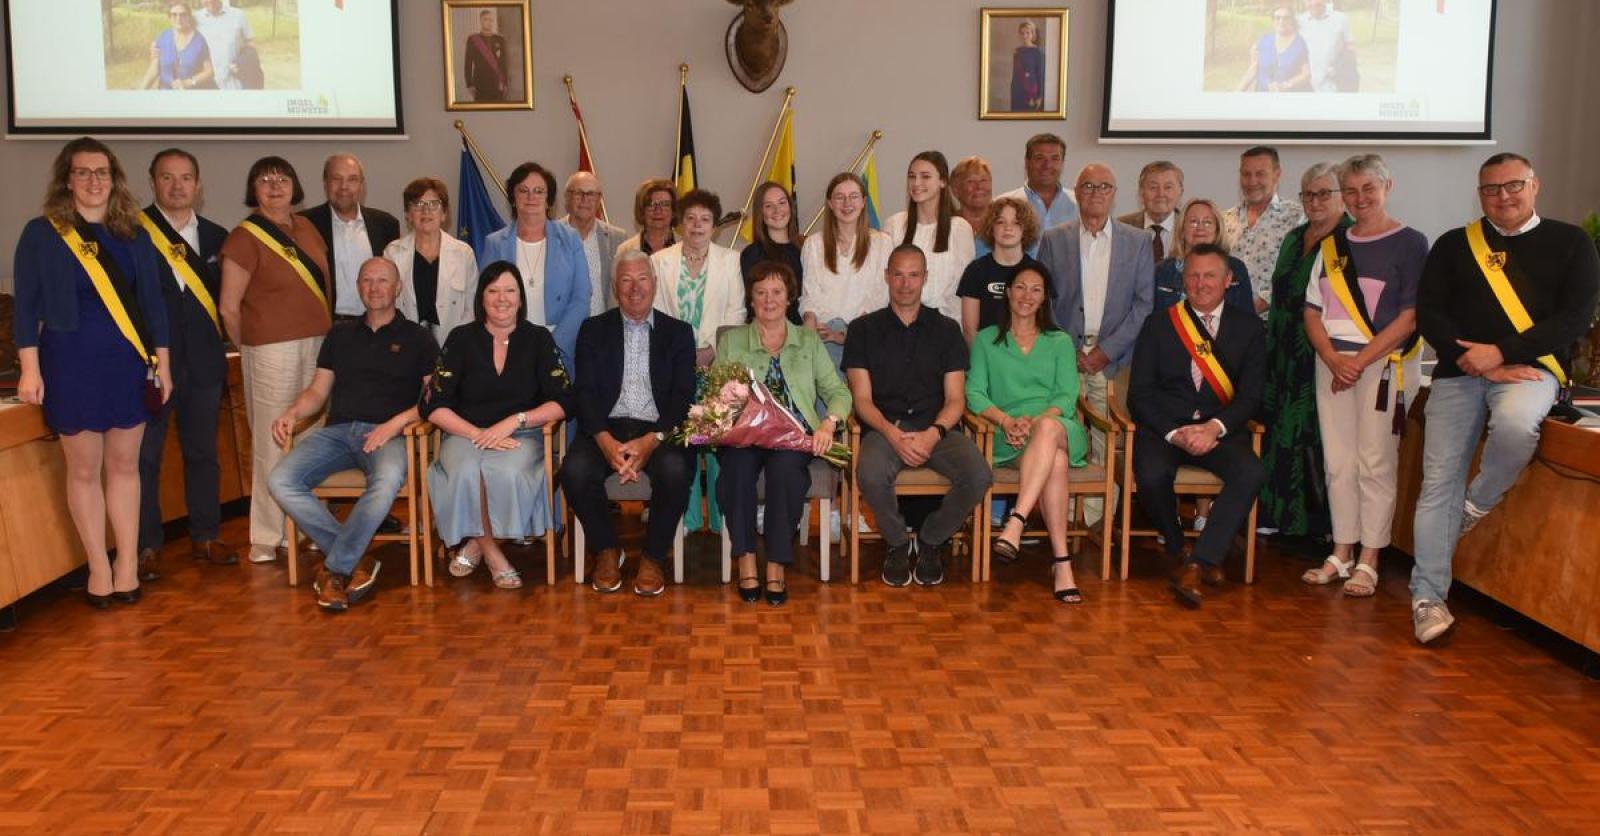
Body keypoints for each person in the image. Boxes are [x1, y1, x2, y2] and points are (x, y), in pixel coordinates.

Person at [1408, 152, 1600, 644]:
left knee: (1516, 429)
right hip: (1458, 373)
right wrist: (1472, 358)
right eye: (1491, 189)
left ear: (1535, 185)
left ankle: (1478, 503)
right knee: (1437, 484)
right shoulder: (1454, 245)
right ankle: (1427, 598)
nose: (1503, 196)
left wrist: (1502, 354)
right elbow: (1430, 312)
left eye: (1513, 185)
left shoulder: (1572, 243)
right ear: (1480, 195)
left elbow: (1575, 318)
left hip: (1529, 373)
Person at [12, 137, 171, 608]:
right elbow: (26, 308)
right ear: (67, 179)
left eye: (102, 172)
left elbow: (154, 306)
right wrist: (29, 370)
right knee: (83, 469)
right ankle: (98, 567)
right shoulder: (41, 234)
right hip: (69, 363)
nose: (93, 181)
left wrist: (163, 366)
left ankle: (127, 566)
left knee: (125, 467)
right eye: (83, 172)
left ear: (114, 179)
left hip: (128, 364)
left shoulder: (134, 234)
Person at [267, 258, 437, 612]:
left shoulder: (418, 337)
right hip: (338, 433)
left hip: (390, 435)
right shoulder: (339, 334)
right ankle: (352, 558)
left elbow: (432, 399)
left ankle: (336, 568)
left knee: (386, 481)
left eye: (383, 280)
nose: (375, 288)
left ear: (398, 287)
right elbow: (318, 392)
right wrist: (293, 412)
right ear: (358, 287)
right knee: (280, 480)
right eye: (367, 280)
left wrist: (395, 424)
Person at [1299, 154, 1427, 598]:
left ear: (1387, 187)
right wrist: (1333, 357)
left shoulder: (1411, 243)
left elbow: (1410, 317)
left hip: (1382, 366)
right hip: (1333, 363)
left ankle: (1370, 557)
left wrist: (1358, 362)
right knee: (1338, 461)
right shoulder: (1332, 246)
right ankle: (1341, 551)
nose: (1359, 198)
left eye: (1368, 188)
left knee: (1375, 462)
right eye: (1350, 191)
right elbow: (1312, 310)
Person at [844, 244, 993, 588]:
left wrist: (933, 433)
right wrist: (892, 434)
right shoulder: (862, 329)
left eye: (913, 275)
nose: (905, 283)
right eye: (898, 274)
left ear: (925, 278)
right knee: (869, 473)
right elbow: (862, 400)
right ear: (886, 277)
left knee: (978, 475)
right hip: (884, 429)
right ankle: (897, 543)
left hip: (936, 429)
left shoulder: (947, 329)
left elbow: (956, 399)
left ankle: (930, 540)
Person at [1128, 244, 1266, 607]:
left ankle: (1201, 560)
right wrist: (1175, 433)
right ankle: (1179, 548)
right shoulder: (1158, 324)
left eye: (1210, 276)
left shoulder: (1250, 328)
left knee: (1251, 471)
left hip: (1219, 432)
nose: (1201, 283)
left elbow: (1251, 398)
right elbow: (1139, 396)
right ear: (1182, 280)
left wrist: (1214, 428)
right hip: (1166, 430)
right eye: (1193, 275)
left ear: (1228, 279)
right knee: (1150, 475)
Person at [422, 262, 573, 590]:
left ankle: (476, 546)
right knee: (465, 469)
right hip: (464, 433)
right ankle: (493, 554)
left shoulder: (538, 338)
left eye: (509, 290)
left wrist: (515, 420)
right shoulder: (460, 338)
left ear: (520, 298)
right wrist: (477, 434)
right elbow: (433, 405)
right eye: (493, 290)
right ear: (481, 297)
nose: (501, 298)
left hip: (522, 434)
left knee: (506, 471)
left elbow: (563, 401)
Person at [560, 252, 697, 598]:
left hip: (659, 428)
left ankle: (653, 557)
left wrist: (652, 439)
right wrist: (604, 441)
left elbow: (683, 396)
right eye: (626, 280)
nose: (635, 288)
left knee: (676, 470)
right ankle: (606, 550)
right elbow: (584, 392)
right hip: (605, 426)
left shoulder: (679, 333)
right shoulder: (593, 330)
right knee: (574, 471)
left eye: (642, 279)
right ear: (614, 287)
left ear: (654, 284)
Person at [716, 262, 852, 607]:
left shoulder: (808, 340)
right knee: (736, 470)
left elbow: (838, 392)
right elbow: (716, 394)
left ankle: (776, 565)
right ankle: (747, 559)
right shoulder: (732, 341)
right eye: (760, 292)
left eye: (777, 292)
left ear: (789, 297)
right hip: (744, 436)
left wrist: (828, 423)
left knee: (787, 473)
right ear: (750, 298)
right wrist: (726, 407)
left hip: (792, 438)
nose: (769, 299)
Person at [219, 156, 331, 564]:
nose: (275, 186)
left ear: (295, 185)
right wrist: (251, 346)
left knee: (312, 438)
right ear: (254, 190)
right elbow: (228, 307)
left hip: (317, 343)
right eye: (265, 180)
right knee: (273, 440)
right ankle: (267, 535)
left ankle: (305, 527)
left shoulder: (308, 228)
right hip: (270, 351)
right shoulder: (243, 238)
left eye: (282, 178)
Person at [1035, 163, 1154, 523]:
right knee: (1067, 436)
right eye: (1088, 186)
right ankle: (1065, 515)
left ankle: (1094, 520)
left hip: (1113, 360)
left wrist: (1106, 351)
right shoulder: (1054, 239)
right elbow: (1044, 299)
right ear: (1077, 192)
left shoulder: (1138, 241)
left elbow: (1144, 304)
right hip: (1065, 356)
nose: (1096, 193)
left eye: (1104, 186)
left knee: (1108, 440)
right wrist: (1067, 348)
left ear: (1115, 194)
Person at [136, 148, 234, 578]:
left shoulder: (217, 236)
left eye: (185, 178)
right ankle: (146, 545)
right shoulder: (132, 233)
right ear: (153, 182)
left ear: (198, 184)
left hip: (204, 363)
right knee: (145, 458)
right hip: (150, 367)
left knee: (203, 453)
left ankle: (206, 535)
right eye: (167, 177)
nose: (177, 186)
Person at [966, 265, 1088, 602]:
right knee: (1056, 463)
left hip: (1057, 426)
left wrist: (1033, 423)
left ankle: (1016, 520)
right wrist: (1006, 421)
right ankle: (1062, 564)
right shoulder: (986, 339)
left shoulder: (1059, 341)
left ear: (1044, 297)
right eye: (1020, 287)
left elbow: (1066, 397)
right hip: (1008, 435)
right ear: (1008, 292)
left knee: (1048, 431)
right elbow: (974, 393)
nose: (1027, 296)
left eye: (1036, 289)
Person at [1258, 162, 1349, 541]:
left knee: (1315, 437)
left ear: (1342, 196)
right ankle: (1275, 517)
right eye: (1308, 194)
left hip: (1322, 355)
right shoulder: (1294, 239)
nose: (1315, 202)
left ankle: (1316, 528)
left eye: (1324, 193)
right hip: (1281, 355)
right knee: (1278, 432)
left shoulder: (1349, 240)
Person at [651, 189, 745, 534]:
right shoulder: (659, 261)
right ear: (679, 223)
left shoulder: (731, 261)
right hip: (674, 366)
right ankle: (687, 518)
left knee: (718, 441)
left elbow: (737, 312)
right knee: (683, 440)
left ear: (714, 225)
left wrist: (711, 350)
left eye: (705, 219)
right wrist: (682, 354)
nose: (697, 225)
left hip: (717, 365)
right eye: (690, 218)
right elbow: (657, 312)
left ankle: (722, 518)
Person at [478, 162, 591, 364]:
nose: (531, 197)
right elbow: (485, 299)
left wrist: (552, 345)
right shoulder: (494, 243)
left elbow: (581, 298)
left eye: (539, 191)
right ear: (513, 198)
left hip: (559, 349)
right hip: (507, 349)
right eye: (523, 191)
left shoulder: (570, 240)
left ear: (549, 200)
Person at [799, 172, 893, 368]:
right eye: (839, 197)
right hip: (824, 335)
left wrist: (849, 334)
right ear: (830, 204)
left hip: (865, 333)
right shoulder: (814, 244)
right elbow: (810, 296)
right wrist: (809, 341)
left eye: (854, 196)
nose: (847, 203)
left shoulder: (882, 243)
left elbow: (881, 295)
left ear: (864, 202)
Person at [300, 155, 401, 323]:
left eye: (352, 179)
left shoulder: (386, 224)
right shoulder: (304, 224)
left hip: (374, 325)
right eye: (336, 179)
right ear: (325, 183)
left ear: (362, 185)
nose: (344, 187)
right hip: (323, 326)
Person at [883, 151, 976, 322]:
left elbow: (964, 288)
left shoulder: (959, 228)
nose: (916, 183)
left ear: (943, 181)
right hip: (901, 323)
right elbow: (886, 281)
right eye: (912, 176)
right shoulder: (894, 225)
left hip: (947, 324)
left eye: (925, 176)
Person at [385, 177, 478, 343]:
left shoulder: (463, 253)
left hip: (454, 344)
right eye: (418, 204)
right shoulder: (393, 253)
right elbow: (387, 305)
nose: (426, 211)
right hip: (406, 344)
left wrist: (457, 343)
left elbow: (472, 307)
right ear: (408, 214)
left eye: (434, 204)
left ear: (444, 213)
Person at [1223, 146, 1306, 317]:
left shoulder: (1297, 218)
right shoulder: (1225, 219)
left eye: (1260, 174)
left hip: (1274, 323)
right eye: (1246, 174)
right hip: (1227, 321)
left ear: (1277, 174)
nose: (1252, 181)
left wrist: (1253, 308)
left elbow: (1299, 273)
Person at [957, 195, 1044, 342]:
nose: (1008, 228)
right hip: (986, 353)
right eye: (1000, 222)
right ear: (991, 228)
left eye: (1016, 222)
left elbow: (1044, 324)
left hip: (1029, 353)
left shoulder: (1038, 272)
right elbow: (969, 330)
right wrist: (983, 356)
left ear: (1026, 229)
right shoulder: (975, 271)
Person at [1154, 199, 1255, 313]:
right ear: (1182, 230)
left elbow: (1248, 319)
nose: (1200, 228)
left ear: (1217, 230)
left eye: (1207, 222)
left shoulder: (1236, 269)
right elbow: (1154, 319)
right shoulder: (1162, 271)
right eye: (1193, 222)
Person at [559, 171, 626, 315]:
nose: (585, 199)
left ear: (599, 199)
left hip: (603, 324)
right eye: (578, 193)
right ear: (567, 197)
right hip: (562, 324)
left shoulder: (617, 238)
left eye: (591, 194)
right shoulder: (551, 235)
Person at [997, 133, 1078, 250]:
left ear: (1062, 163)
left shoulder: (1079, 205)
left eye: (1054, 158)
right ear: (1027, 162)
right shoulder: (1002, 205)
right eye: (1039, 158)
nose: (1047, 165)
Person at [739, 180, 804, 324]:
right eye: (769, 206)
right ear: (760, 213)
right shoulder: (752, 254)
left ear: (790, 206)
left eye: (782, 203)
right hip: (767, 330)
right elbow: (751, 303)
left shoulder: (806, 249)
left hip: (803, 330)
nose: (777, 210)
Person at [1117, 161, 1185, 266]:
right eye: (1153, 187)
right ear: (1141, 193)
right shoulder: (1121, 227)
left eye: (1168, 187)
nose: (1161, 194)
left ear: (1180, 192)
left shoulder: (1189, 228)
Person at [1236, 4, 1312, 93]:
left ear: (1292, 20)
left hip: (1289, 94)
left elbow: (1306, 74)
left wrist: (1286, 85)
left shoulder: (1299, 43)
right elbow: (1252, 70)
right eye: (1277, 18)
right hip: (1263, 93)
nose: (1281, 21)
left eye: (1286, 18)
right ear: (1273, 20)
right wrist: (1237, 93)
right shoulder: (1263, 40)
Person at [141, 4, 214, 91]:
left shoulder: (199, 41)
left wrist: (189, 82)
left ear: (189, 17)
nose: (178, 18)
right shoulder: (163, 37)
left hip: (191, 94)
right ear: (169, 17)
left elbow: (209, 72)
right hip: (165, 93)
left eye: (183, 15)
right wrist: (141, 91)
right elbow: (154, 68)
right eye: (174, 15)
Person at [193, 0, 253, 91]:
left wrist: (243, 62)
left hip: (233, 82)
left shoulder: (238, 15)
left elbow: (250, 42)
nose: (210, 1)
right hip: (206, 84)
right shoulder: (195, 19)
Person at [1298, 0, 1354, 93]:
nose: (1313, 3)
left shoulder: (1341, 19)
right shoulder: (1299, 21)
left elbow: (1350, 47)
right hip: (1307, 86)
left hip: (1334, 85)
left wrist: (1342, 69)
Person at [616, 178, 677, 258]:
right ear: (642, 211)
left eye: (665, 204)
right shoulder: (625, 250)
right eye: (651, 204)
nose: (658, 210)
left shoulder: (687, 244)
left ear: (673, 211)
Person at [951, 156, 994, 255]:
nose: (979, 187)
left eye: (983, 180)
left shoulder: (1005, 222)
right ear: (955, 190)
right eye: (970, 181)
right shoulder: (947, 226)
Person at [463, 9, 509, 102]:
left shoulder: (500, 39)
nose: (489, 22)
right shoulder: (473, 39)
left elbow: (504, 62)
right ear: (481, 21)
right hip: (480, 83)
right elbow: (468, 63)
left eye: (491, 20)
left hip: (497, 83)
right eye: (486, 19)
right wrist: (469, 84)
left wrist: (505, 82)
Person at [1010, 20, 1046, 112]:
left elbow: (1040, 75)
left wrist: (1040, 96)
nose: (1024, 36)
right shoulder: (1017, 51)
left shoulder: (1038, 52)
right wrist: (1013, 90)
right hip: (1017, 90)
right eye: (1022, 33)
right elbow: (1015, 74)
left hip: (1031, 91)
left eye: (1027, 33)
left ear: (1032, 34)